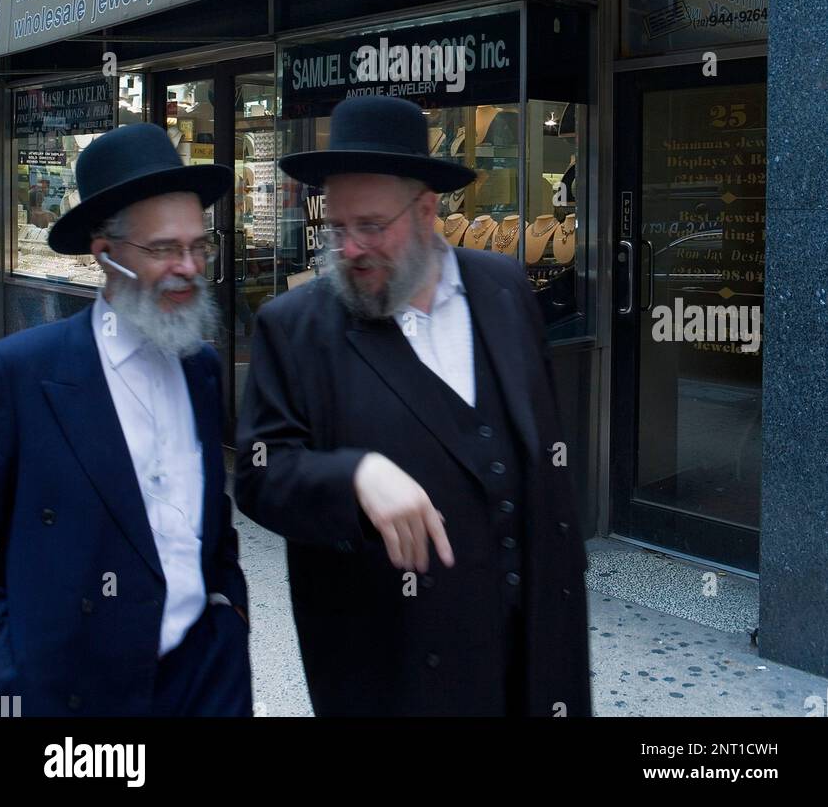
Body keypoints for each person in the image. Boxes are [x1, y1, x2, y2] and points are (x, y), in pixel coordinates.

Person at [235, 95, 591, 718]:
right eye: (337, 228)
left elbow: (540, 468)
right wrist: (351, 476)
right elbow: (261, 476)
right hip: (394, 674)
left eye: (371, 226)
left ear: (426, 210)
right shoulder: (293, 328)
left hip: (531, 663)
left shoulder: (504, 289)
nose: (349, 248)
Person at [0, 123, 252, 717]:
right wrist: (12, 682)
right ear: (106, 253)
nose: (189, 267)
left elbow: (214, 530)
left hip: (202, 684)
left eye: (199, 246)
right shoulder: (24, 375)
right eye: (164, 249)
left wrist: (229, 617)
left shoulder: (202, 369)